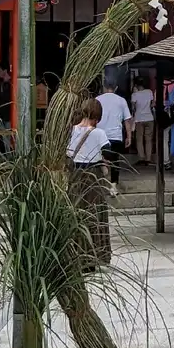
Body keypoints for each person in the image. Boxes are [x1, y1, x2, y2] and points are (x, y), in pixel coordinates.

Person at [66, 98, 111, 264]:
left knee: (77, 213)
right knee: (96, 213)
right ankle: (98, 254)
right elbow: (108, 153)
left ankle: (77, 254)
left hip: (76, 175)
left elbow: (68, 154)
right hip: (93, 175)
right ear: (97, 116)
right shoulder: (99, 133)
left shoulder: (71, 130)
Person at [96, 77, 133, 196]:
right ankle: (113, 187)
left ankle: (101, 177)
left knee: (99, 158)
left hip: (100, 135)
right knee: (115, 161)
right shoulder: (121, 100)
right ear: (116, 88)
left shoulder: (97, 100)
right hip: (116, 136)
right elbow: (127, 120)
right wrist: (129, 136)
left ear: (103, 87)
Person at [130, 76, 156, 165]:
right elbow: (153, 104)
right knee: (148, 139)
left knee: (139, 139)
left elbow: (133, 108)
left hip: (139, 119)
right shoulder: (149, 92)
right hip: (149, 118)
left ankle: (141, 157)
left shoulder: (134, 95)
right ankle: (148, 159)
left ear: (136, 85)